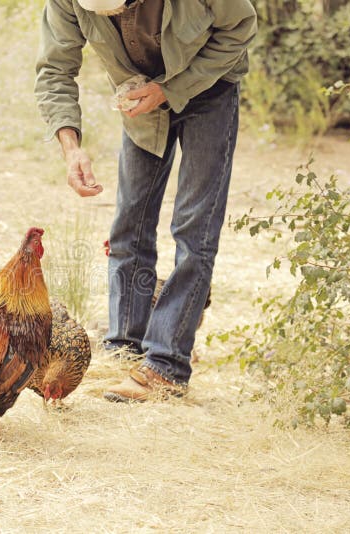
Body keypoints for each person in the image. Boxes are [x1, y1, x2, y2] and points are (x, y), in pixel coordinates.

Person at [34, 0, 257, 402]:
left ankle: (166, 366)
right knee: (129, 224)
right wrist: (71, 149)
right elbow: (55, 69)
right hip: (139, 97)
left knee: (194, 227)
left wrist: (169, 90)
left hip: (210, 89)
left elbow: (240, 28)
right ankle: (124, 347)